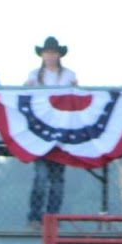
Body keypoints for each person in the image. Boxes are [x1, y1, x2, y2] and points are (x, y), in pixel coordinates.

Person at [23, 37, 78, 227]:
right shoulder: (34, 76)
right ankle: (35, 216)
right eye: (47, 52)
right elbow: (25, 97)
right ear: (42, 55)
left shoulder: (68, 76)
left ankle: (53, 217)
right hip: (41, 132)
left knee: (57, 179)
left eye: (53, 53)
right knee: (41, 176)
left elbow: (76, 97)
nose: (50, 56)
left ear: (58, 55)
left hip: (61, 132)